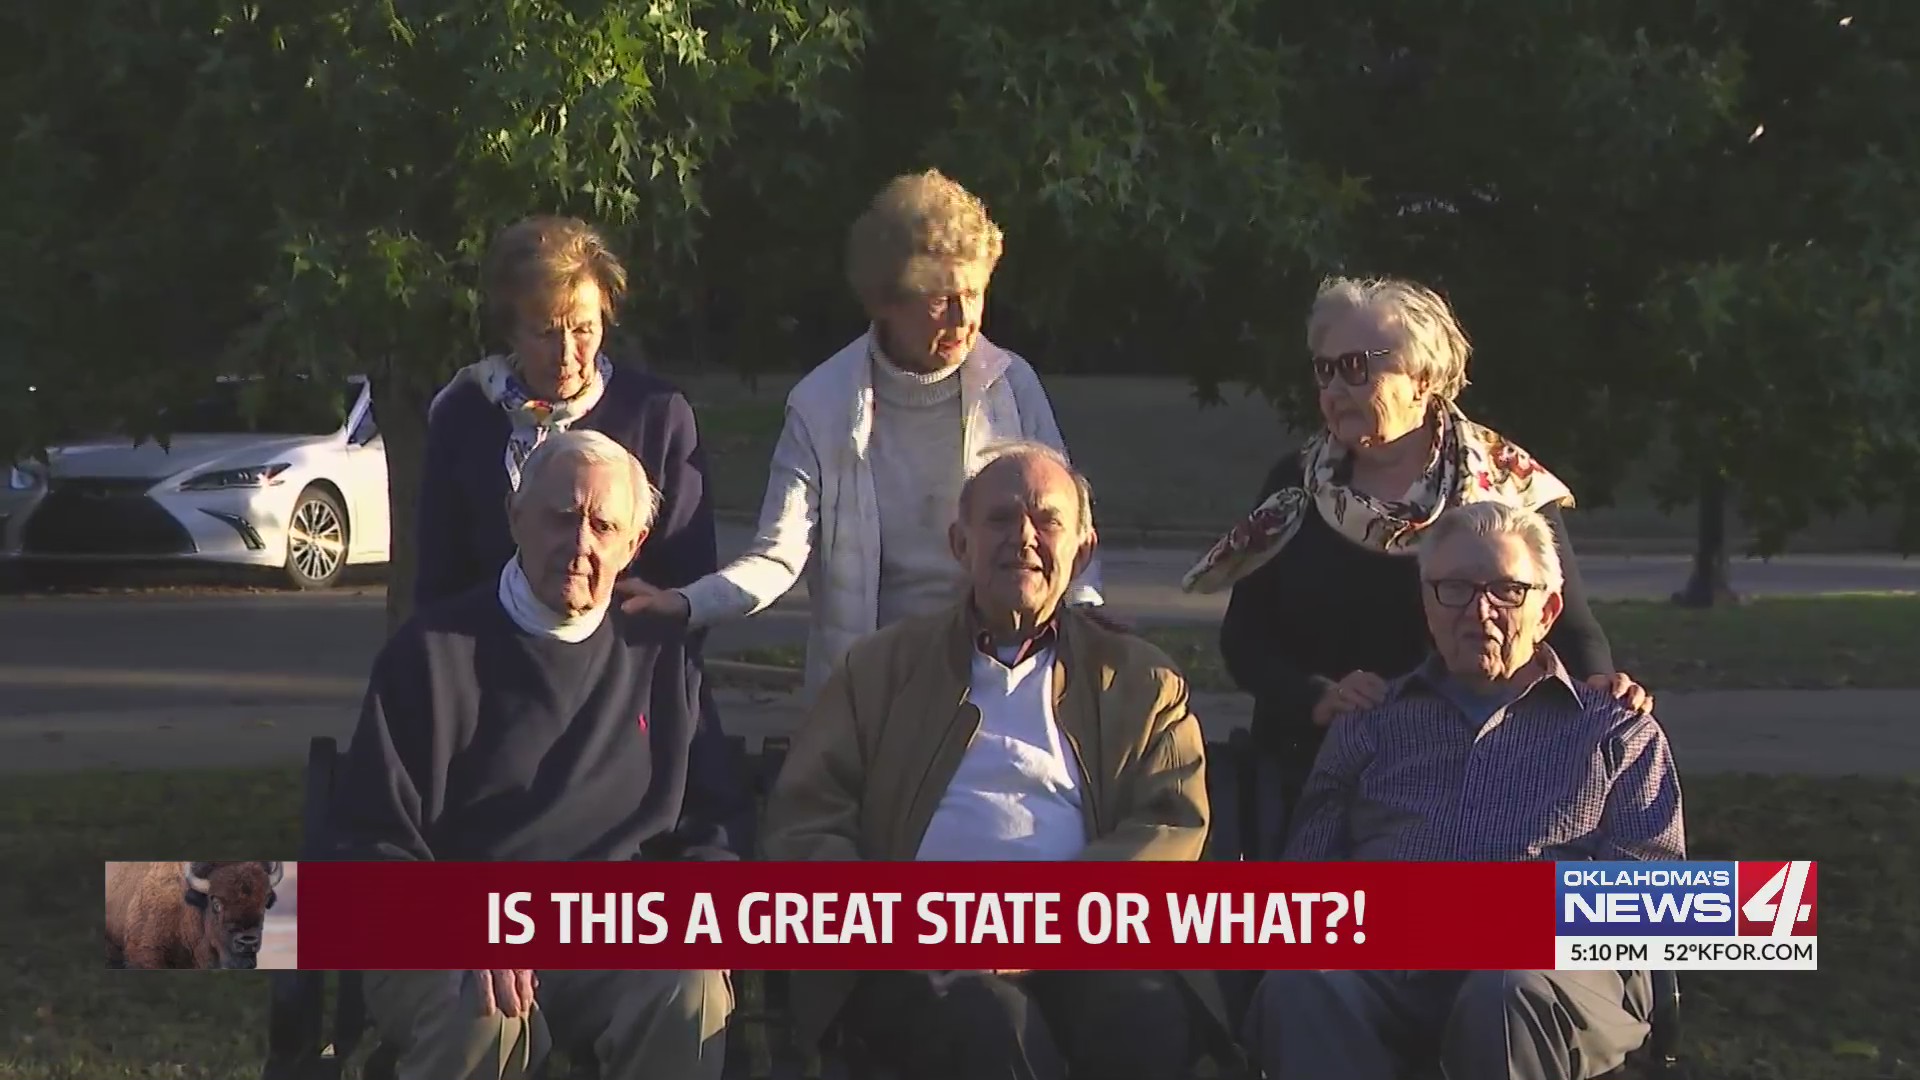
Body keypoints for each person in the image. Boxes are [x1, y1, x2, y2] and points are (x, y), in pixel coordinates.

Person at [762, 441, 1237, 1080]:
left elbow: (1171, 827)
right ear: (959, 544)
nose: (1023, 536)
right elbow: (806, 820)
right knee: (988, 1024)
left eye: (1047, 519)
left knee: (1141, 1016)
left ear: (1083, 549)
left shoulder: (1142, 680)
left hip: (1087, 937)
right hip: (917, 952)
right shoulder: (879, 670)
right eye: (999, 519)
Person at [329, 431, 736, 1080]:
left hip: (607, 934)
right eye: (562, 516)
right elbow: (369, 840)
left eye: (604, 526)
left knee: (687, 986)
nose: (580, 544)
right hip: (451, 933)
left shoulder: (664, 657)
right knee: (485, 1006)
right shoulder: (432, 652)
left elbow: (708, 829)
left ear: (632, 546)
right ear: (517, 518)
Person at [1182, 275, 1651, 830]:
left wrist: (1605, 688)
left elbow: (1568, 626)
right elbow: (1246, 639)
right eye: (1324, 369)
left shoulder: (1503, 484)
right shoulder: (1295, 488)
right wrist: (1317, 695)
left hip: (1477, 778)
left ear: (1422, 377)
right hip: (1319, 783)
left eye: (1357, 367)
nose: (1335, 388)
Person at [616, 170, 1107, 697]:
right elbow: (777, 557)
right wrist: (688, 603)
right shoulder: (821, 403)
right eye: (941, 300)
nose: (966, 318)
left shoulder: (1012, 385)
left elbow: (1068, 528)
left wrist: (1088, 623)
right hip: (871, 692)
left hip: (1003, 678)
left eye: (976, 293)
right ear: (886, 298)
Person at [1243, 501, 1684, 1080]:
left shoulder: (1615, 727)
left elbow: (1644, 907)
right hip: (1389, 970)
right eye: (1453, 588)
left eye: (1507, 591)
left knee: (1506, 987)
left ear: (1549, 610)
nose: (1478, 611)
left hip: (1552, 977)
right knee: (1302, 988)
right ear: (1426, 604)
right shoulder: (1372, 720)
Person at [417, 213, 750, 851]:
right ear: (511, 327)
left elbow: (687, 584)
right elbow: (439, 578)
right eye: (546, 333)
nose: (568, 354)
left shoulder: (658, 416)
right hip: (492, 688)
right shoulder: (464, 414)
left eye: (585, 329)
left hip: (623, 689)